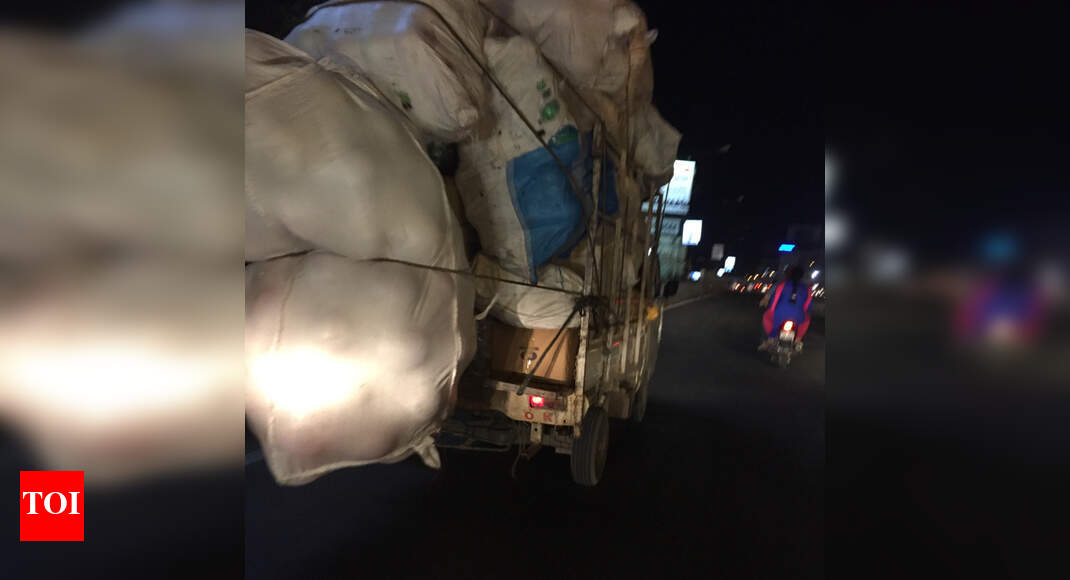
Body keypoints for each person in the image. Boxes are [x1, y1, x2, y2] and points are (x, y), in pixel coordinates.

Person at [758, 265, 813, 351]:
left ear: (789, 274)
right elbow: (808, 306)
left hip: (780, 314)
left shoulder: (781, 284)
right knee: (806, 321)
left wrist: (771, 309)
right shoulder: (807, 289)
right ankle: (798, 340)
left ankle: (769, 341)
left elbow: (774, 301)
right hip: (798, 316)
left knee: (766, 318)